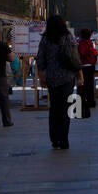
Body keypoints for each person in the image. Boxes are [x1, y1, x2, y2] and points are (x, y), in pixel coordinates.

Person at [35, 15, 81, 150]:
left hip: (52, 79)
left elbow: (40, 60)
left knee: (54, 109)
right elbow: (75, 58)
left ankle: (55, 139)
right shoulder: (68, 38)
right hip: (67, 77)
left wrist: (42, 77)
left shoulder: (45, 40)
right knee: (66, 109)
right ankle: (64, 140)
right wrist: (79, 75)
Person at [77, 27, 98, 113]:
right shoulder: (90, 42)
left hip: (84, 65)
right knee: (90, 84)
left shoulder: (82, 43)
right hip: (91, 65)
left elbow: (81, 53)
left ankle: (83, 102)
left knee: (83, 85)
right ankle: (91, 102)